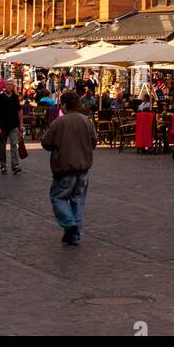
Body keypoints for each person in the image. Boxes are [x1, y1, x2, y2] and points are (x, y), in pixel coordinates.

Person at [40, 90, 97, 246]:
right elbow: (94, 142)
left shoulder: (59, 122)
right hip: (83, 169)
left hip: (65, 168)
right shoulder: (86, 121)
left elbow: (45, 142)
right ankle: (74, 235)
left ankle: (70, 224)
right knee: (77, 201)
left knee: (58, 198)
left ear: (64, 105)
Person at [0, 78, 23, 174]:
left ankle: (15, 165)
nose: (9, 86)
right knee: (2, 146)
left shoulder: (15, 97)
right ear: (5, 86)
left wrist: (21, 124)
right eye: (8, 84)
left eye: (11, 84)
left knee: (14, 144)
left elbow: (19, 111)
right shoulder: (0, 97)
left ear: (13, 86)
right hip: (2, 126)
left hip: (13, 126)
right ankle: (3, 166)